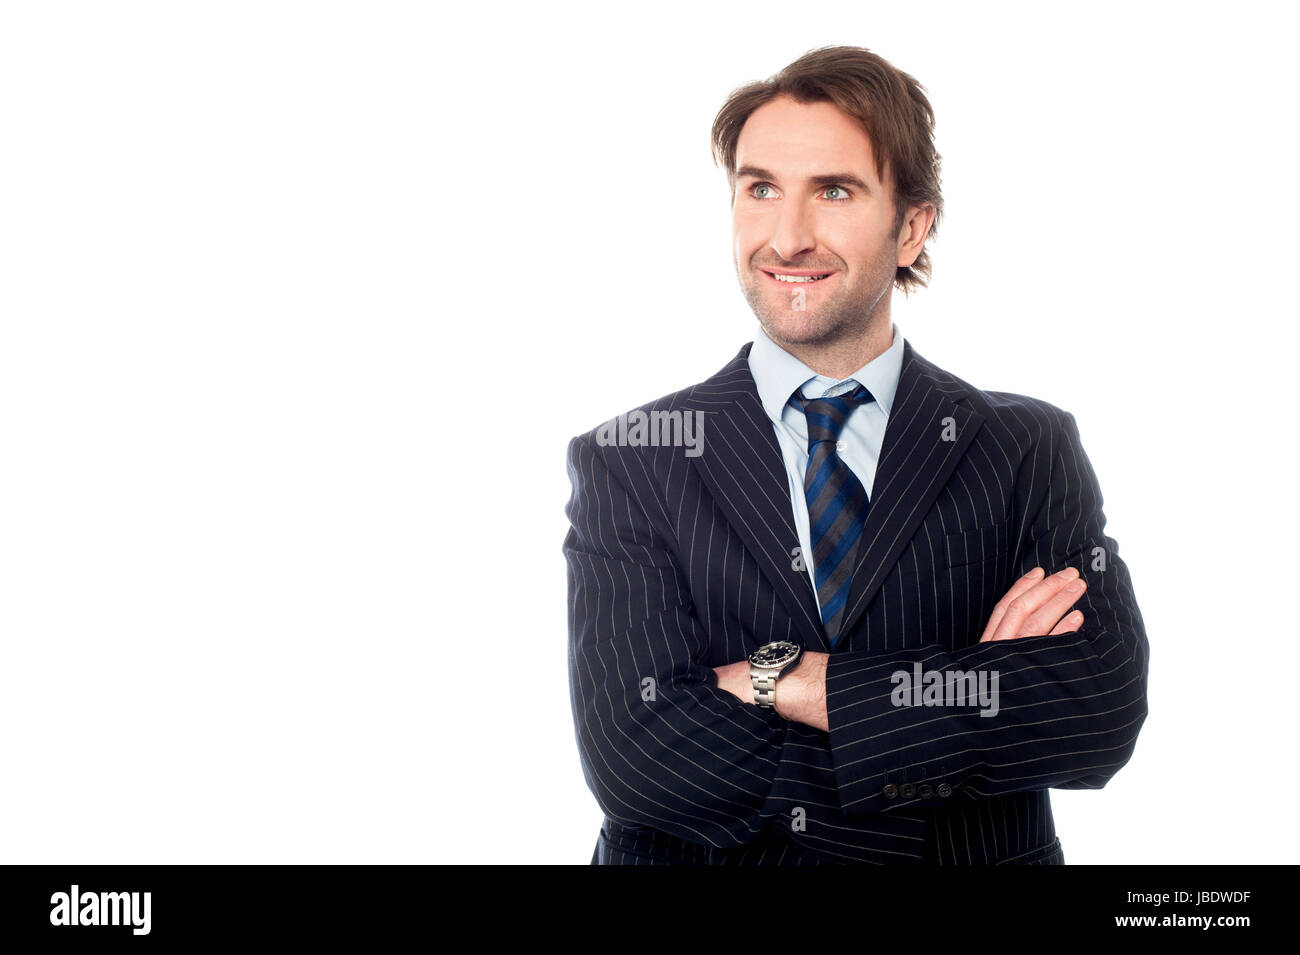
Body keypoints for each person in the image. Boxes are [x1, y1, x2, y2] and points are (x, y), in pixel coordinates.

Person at [562, 45, 1149, 865]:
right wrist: (960, 712)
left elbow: (1093, 710)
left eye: (833, 191)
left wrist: (791, 681)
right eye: (760, 189)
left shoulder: (1025, 449)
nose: (787, 235)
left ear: (911, 226)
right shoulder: (631, 460)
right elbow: (639, 754)